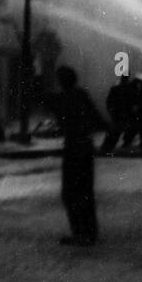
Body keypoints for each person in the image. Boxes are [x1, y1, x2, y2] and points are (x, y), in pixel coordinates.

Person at [46, 65, 107, 245]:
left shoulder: (60, 98)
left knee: (70, 193)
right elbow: (98, 121)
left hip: (72, 148)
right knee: (86, 191)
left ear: (61, 81)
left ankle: (79, 232)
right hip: (86, 147)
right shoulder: (81, 95)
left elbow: (43, 99)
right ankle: (90, 231)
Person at [102, 73, 131, 154]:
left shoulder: (115, 88)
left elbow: (109, 101)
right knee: (117, 131)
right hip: (123, 113)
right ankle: (109, 147)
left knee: (114, 131)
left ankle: (107, 147)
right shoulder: (128, 88)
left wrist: (111, 111)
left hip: (116, 113)